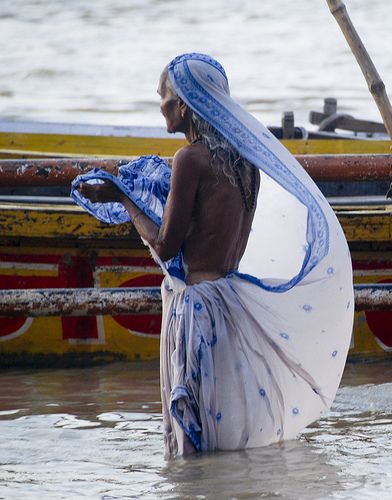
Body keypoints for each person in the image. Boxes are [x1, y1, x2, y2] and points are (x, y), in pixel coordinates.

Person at [72, 53, 354, 458]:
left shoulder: (190, 159)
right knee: (220, 433)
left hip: (196, 311)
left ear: (185, 104)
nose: (161, 105)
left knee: (193, 438)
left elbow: (167, 245)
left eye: (164, 97)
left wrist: (124, 198)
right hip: (230, 305)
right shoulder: (247, 164)